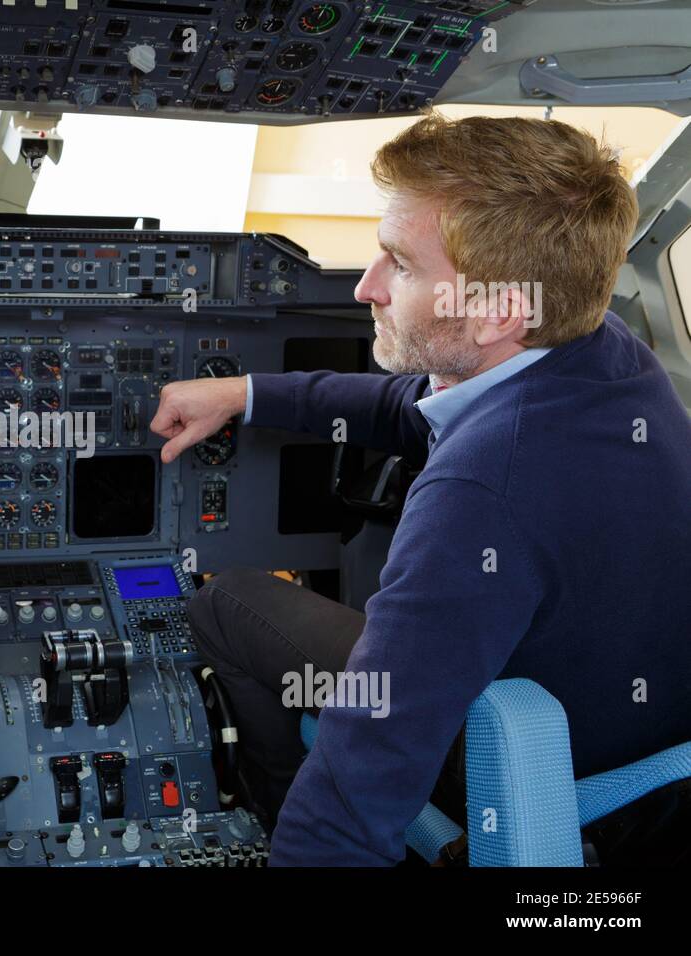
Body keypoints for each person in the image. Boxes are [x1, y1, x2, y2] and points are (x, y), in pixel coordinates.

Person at [151, 113, 691, 865]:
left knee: (227, 602)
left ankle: (265, 806)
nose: (366, 287)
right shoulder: (601, 350)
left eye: (398, 264)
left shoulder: (480, 494)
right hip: (651, 767)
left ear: (499, 311)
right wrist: (246, 393)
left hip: (530, 768)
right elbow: (417, 405)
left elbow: (362, 775)